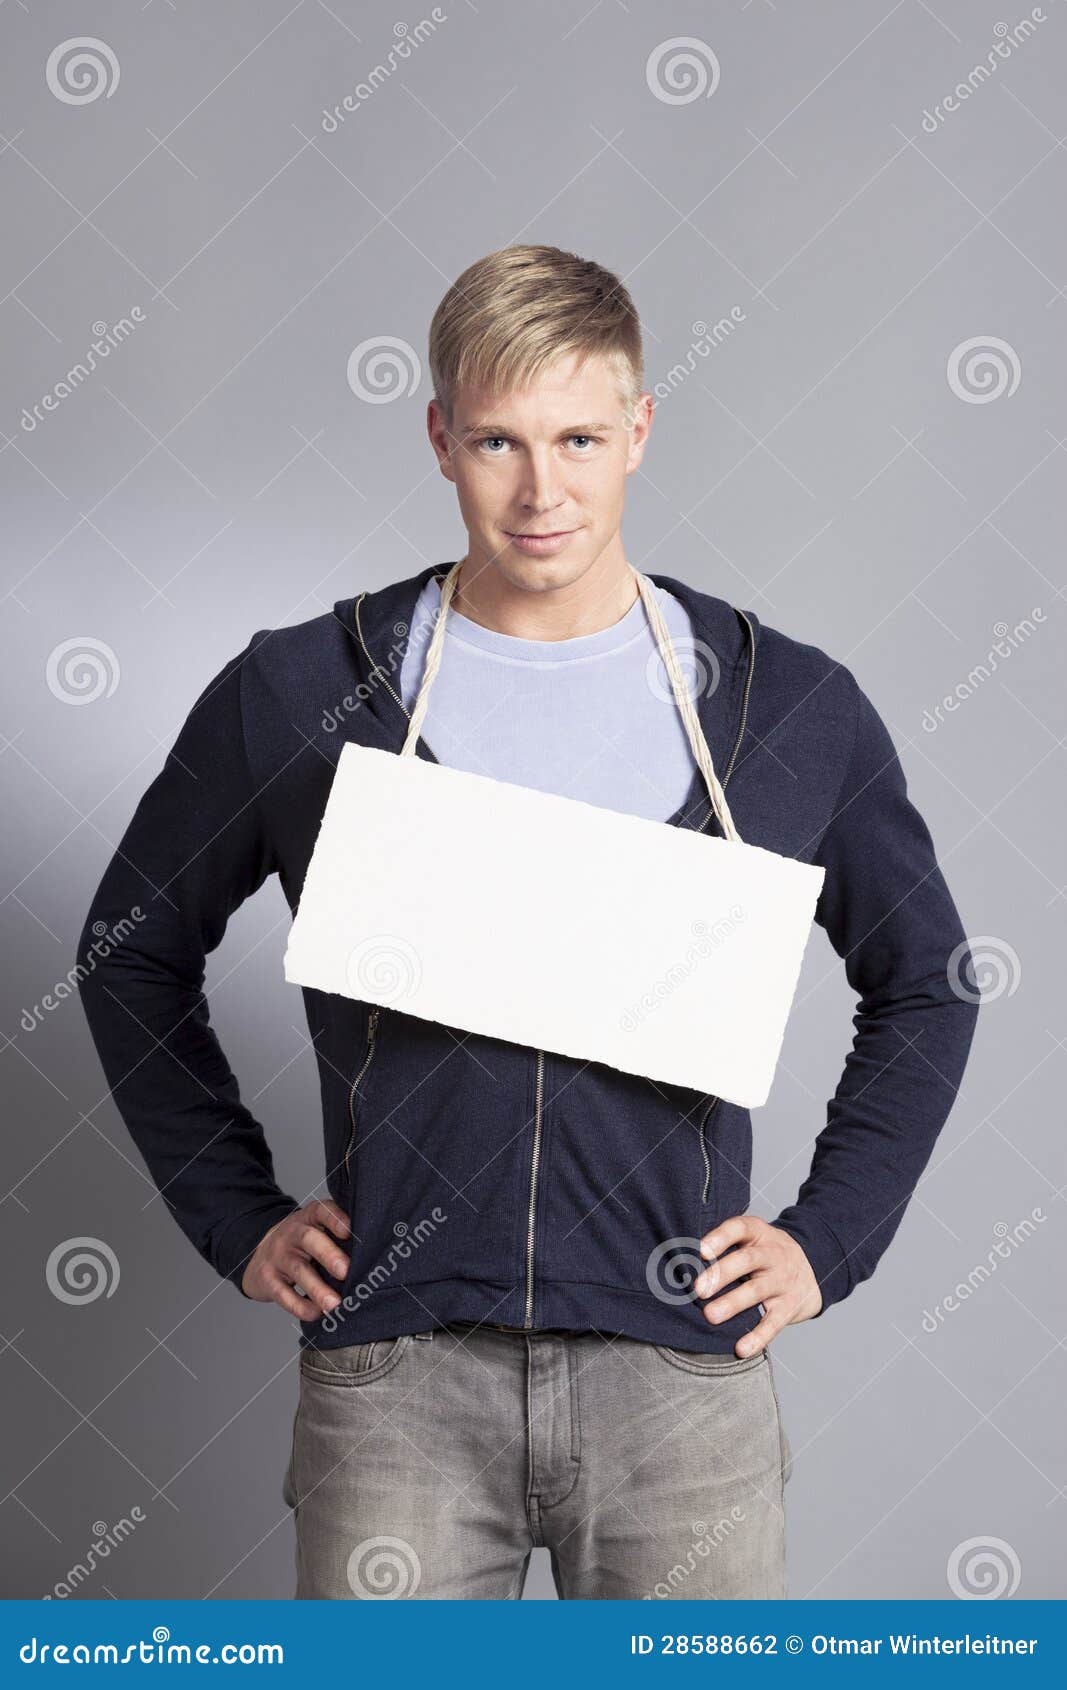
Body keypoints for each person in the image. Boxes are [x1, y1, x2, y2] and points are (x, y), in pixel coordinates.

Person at [78, 244, 979, 1600]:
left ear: (640, 433)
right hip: (397, 1385)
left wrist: (827, 1236)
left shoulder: (787, 706)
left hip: (682, 1379)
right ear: (440, 436)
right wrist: (236, 1212)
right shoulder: (305, 692)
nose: (542, 487)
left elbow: (930, 981)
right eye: (498, 437)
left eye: (577, 436)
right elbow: (129, 949)